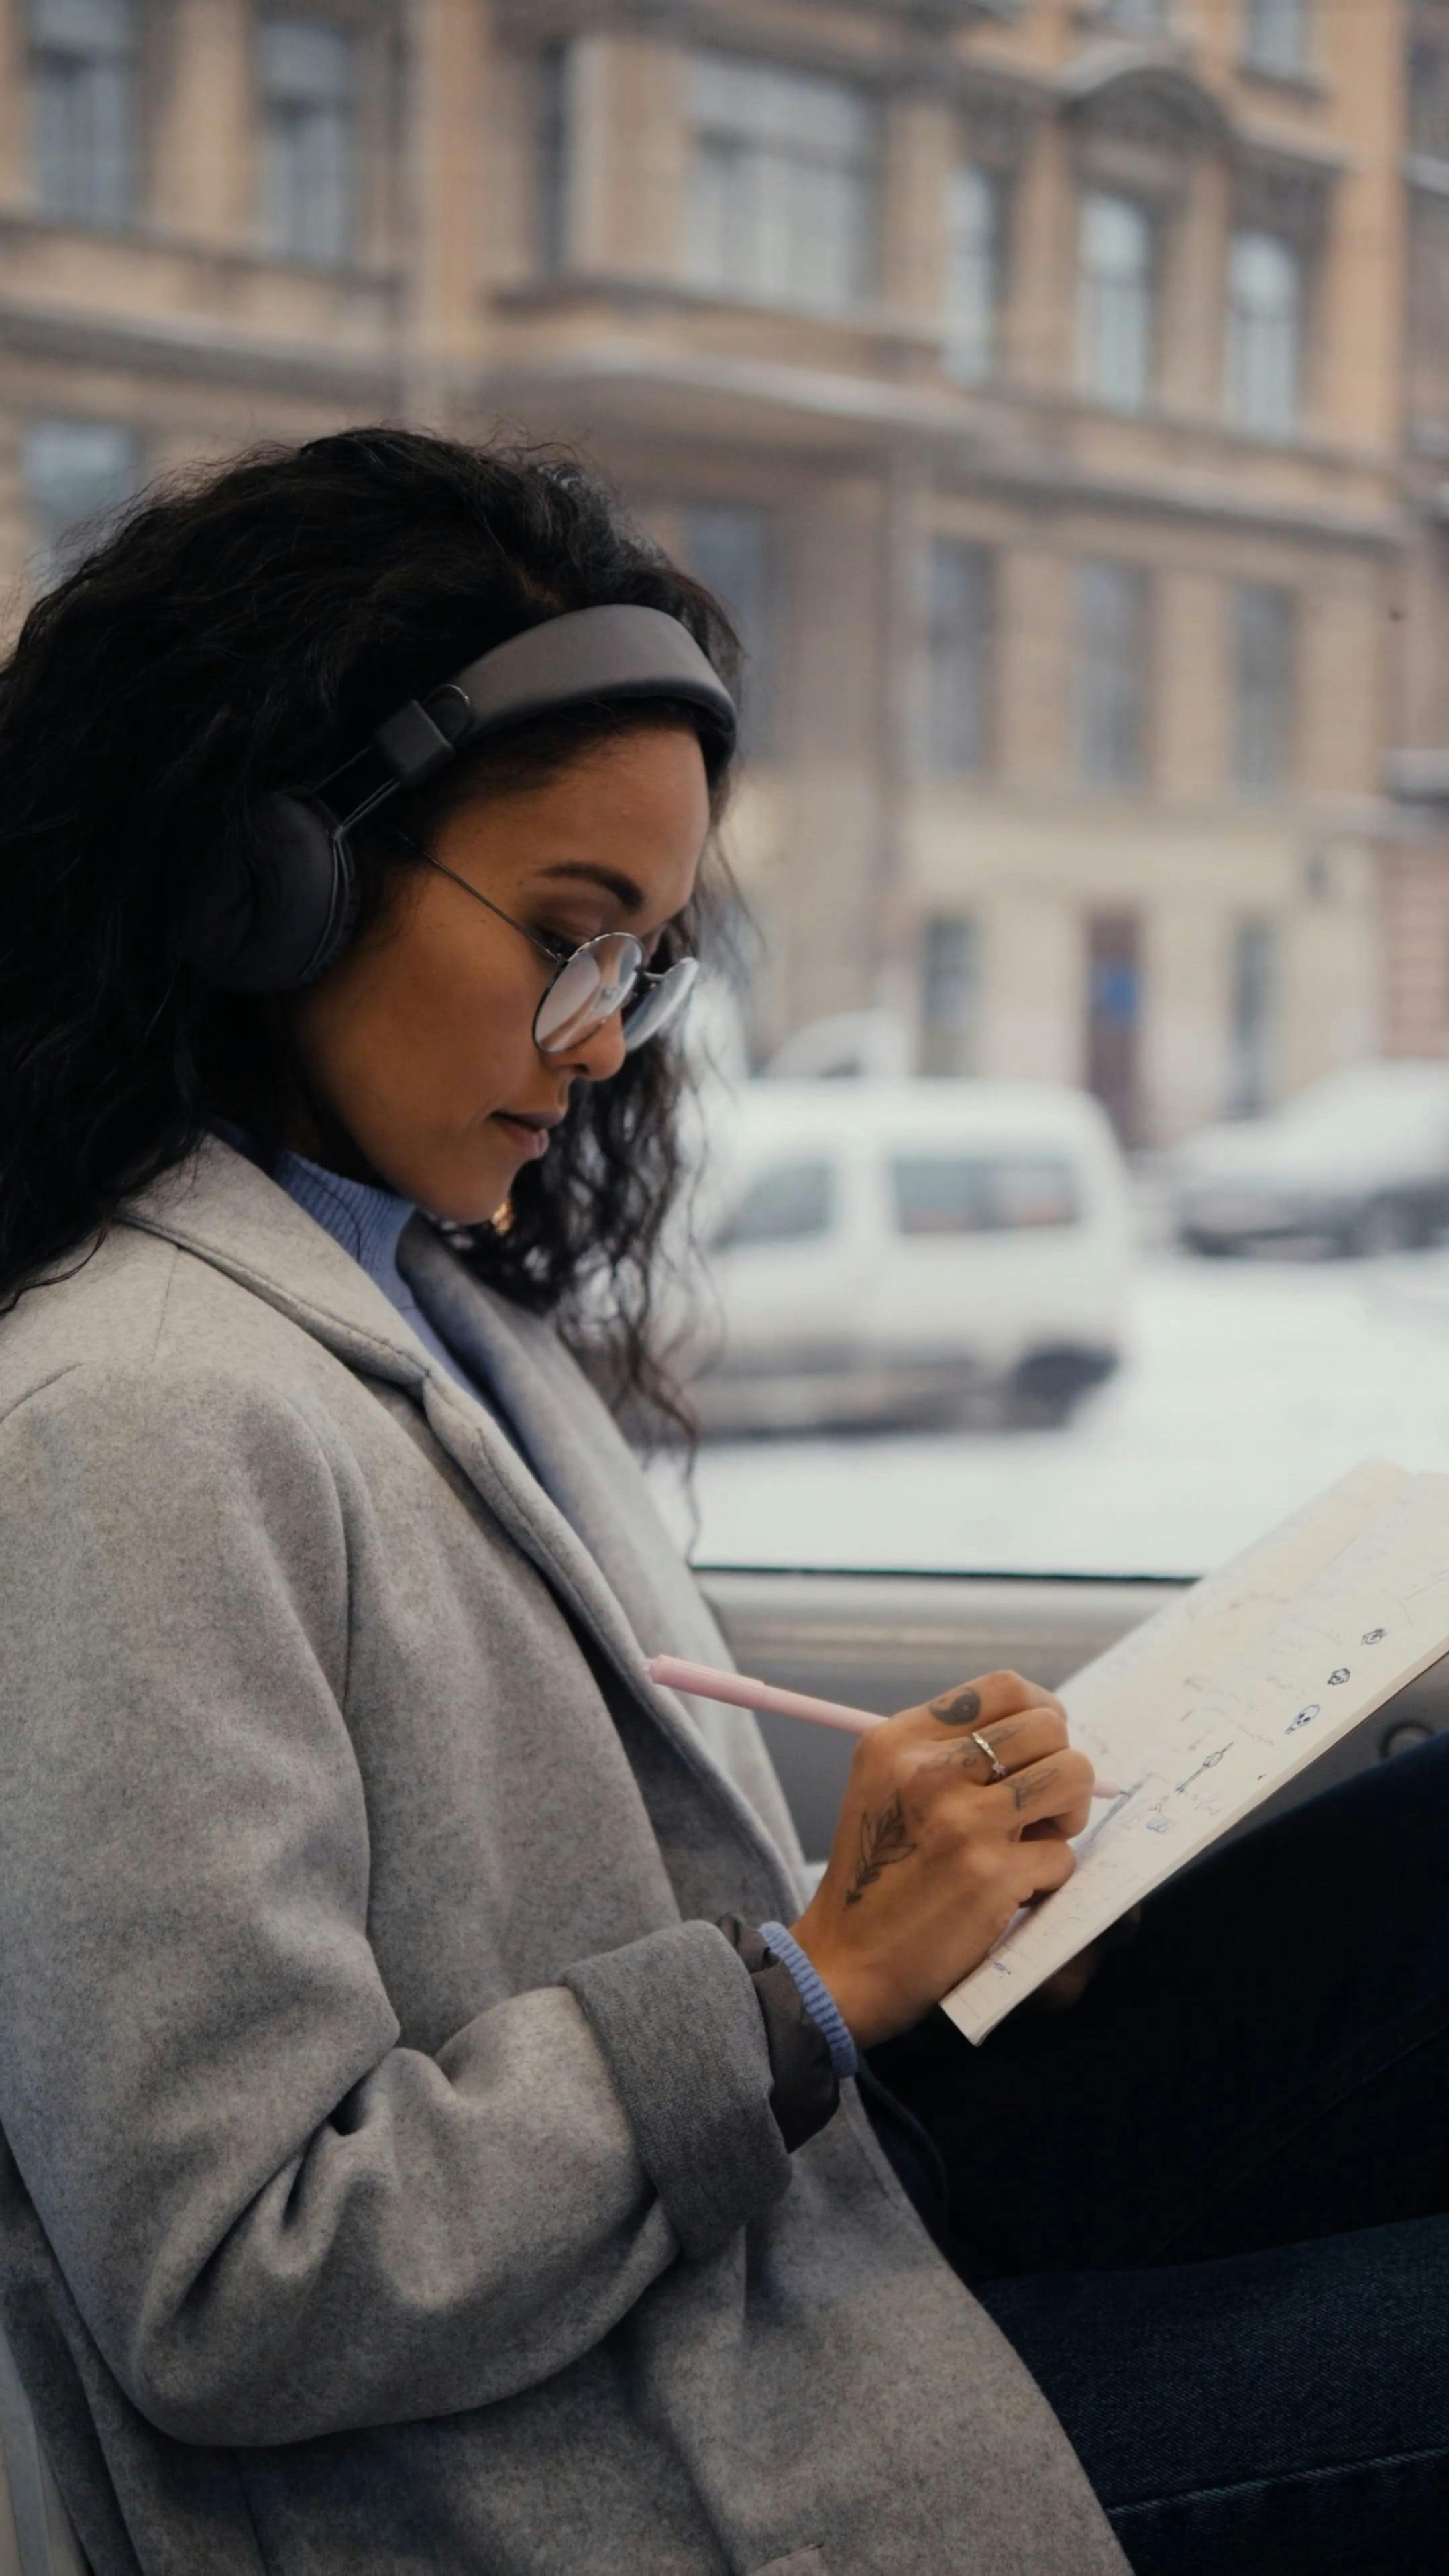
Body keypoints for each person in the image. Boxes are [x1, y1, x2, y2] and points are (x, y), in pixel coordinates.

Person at [0, 429, 1444, 2576]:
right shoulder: (131, 1418)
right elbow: (239, 2279)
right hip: (614, 2469)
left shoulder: (428, 1308)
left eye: (647, 962)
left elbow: (559, 1921)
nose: (601, 1045)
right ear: (265, 880)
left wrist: (890, 1891)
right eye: (569, 937)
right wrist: (805, 1984)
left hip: (757, 2276)